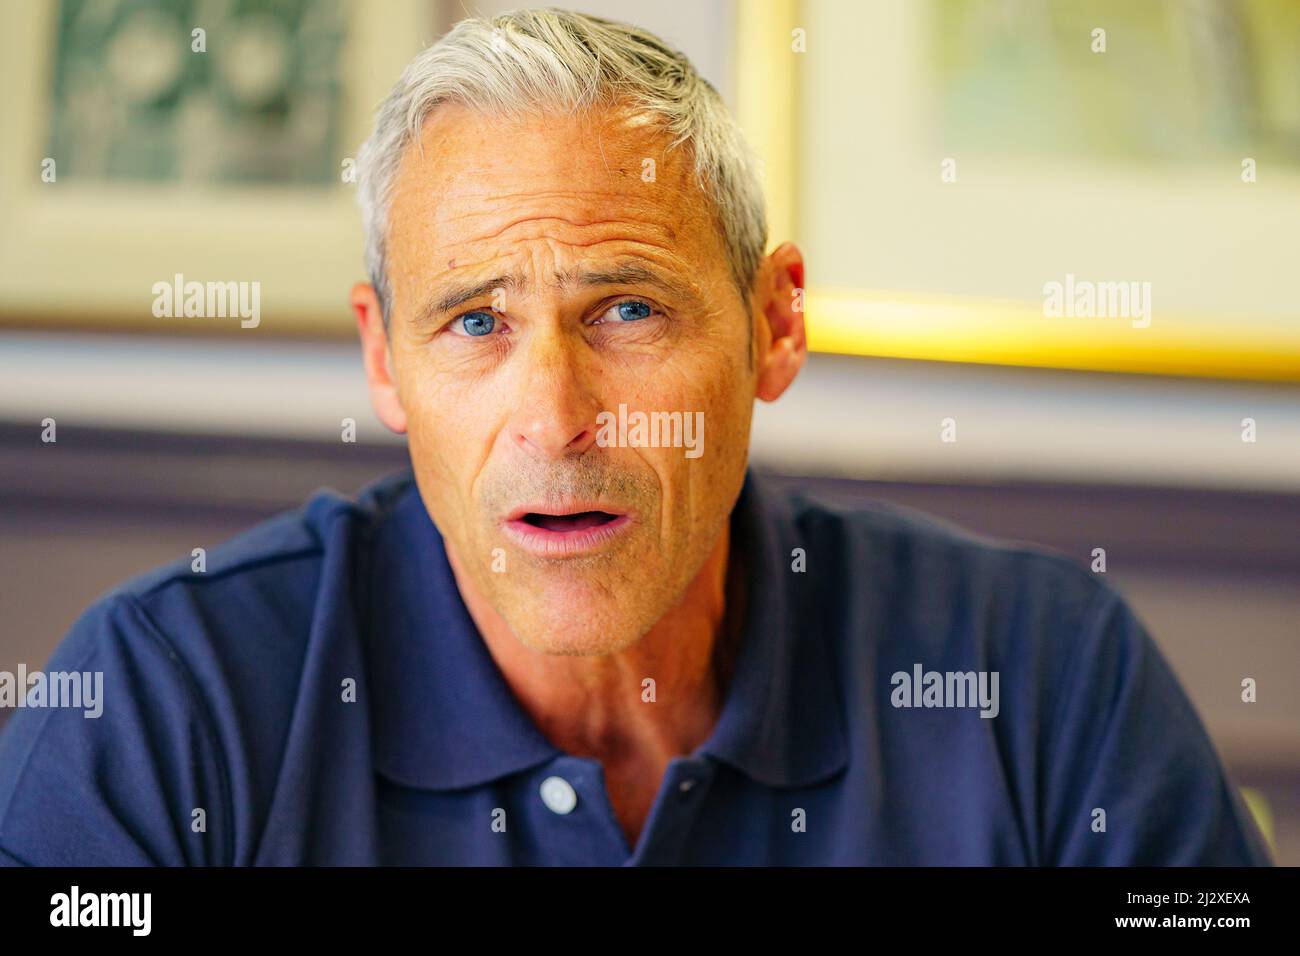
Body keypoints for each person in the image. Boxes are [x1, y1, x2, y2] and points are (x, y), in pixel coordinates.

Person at [0, 8, 1271, 866]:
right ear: (383, 357)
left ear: (774, 324)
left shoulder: (1044, 676)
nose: (554, 417)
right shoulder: (162, 700)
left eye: (627, 307)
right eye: (475, 322)